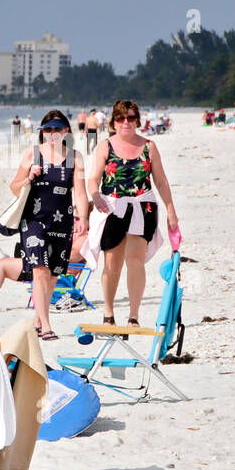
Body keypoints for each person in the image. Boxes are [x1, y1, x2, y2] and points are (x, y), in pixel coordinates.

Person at [0, 111, 88, 340]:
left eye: (57, 129)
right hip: (34, 220)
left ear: (66, 131)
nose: (53, 134)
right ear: (42, 133)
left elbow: (81, 192)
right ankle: (46, 325)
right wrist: (29, 178)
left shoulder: (75, 157)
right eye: (48, 129)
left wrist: (83, 218)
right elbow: (14, 187)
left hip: (62, 221)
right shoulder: (32, 154)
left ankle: (37, 320)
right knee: (40, 269)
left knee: (53, 274)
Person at [85, 99, 180, 325]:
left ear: (137, 120)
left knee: (135, 262)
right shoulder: (105, 146)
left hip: (142, 207)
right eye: (120, 118)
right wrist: (95, 195)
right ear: (114, 122)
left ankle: (134, 316)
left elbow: (160, 181)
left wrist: (171, 210)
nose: (125, 122)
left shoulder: (149, 146)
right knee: (112, 265)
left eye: (130, 117)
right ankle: (109, 314)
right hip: (112, 207)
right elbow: (93, 178)